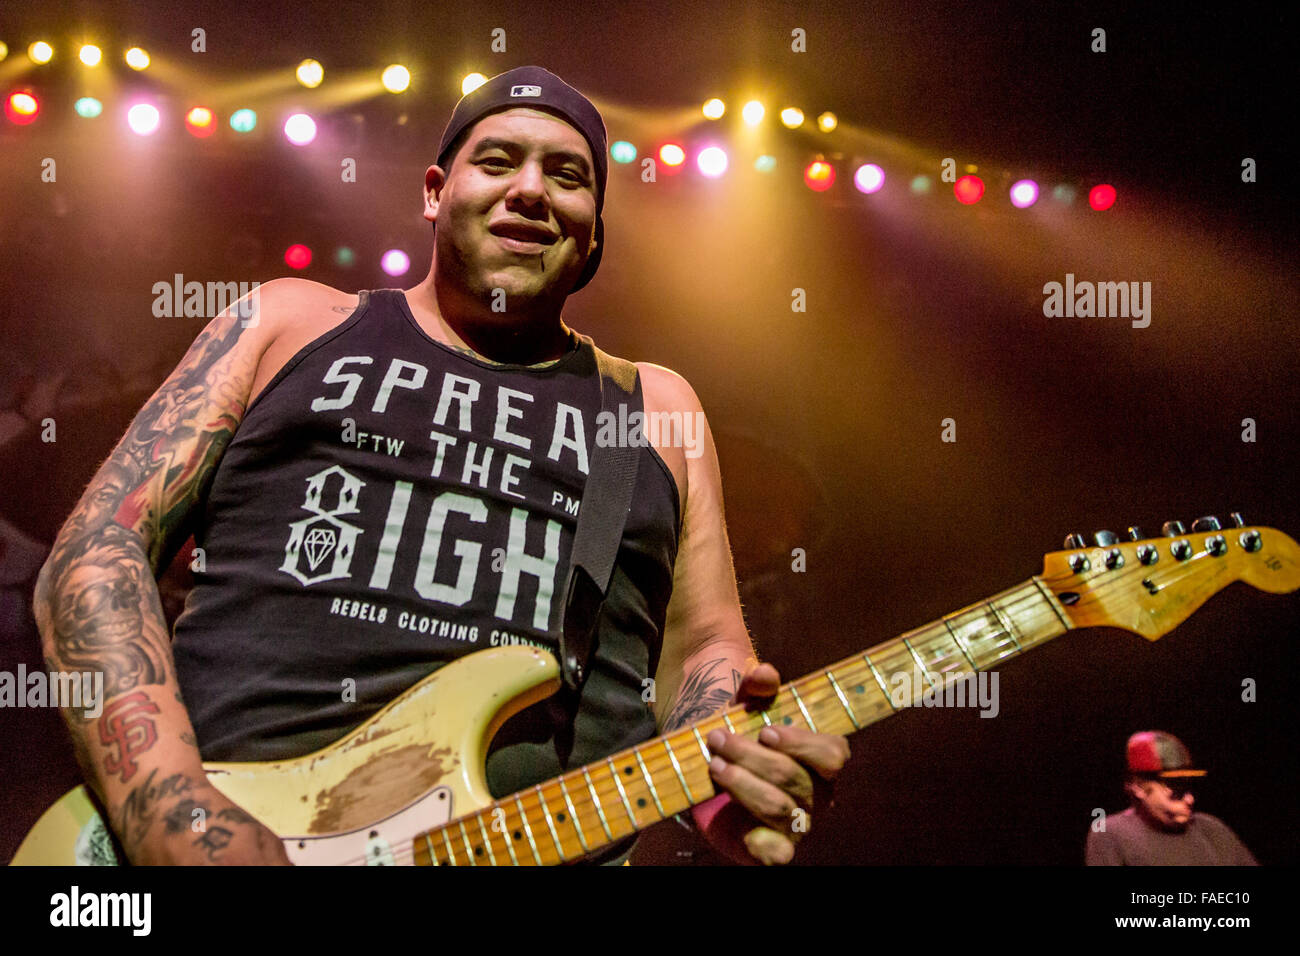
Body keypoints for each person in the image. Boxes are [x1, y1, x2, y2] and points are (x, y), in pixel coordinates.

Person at [32, 66, 850, 866]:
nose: (532, 189)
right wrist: (175, 817)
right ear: (433, 192)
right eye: (498, 160)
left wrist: (726, 781)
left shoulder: (655, 408)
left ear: (595, 229)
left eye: (568, 176)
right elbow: (96, 550)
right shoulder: (290, 323)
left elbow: (705, 652)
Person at [1085, 731, 1257, 866]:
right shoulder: (1111, 834)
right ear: (1138, 787)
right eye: (1176, 789)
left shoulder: (1213, 830)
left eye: (1188, 786)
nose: (1189, 799)